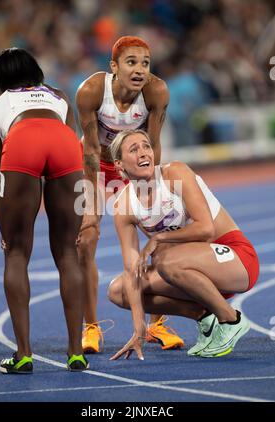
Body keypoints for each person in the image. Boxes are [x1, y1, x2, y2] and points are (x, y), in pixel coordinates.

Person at [0, 48, 88, 373]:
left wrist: (6, 220)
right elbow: (73, 140)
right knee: (69, 251)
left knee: (15, 253)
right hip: (66, 145)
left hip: (22, 142)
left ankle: (24, 354)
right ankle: (76, 351)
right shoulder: (58, 95)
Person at [107, 129, 259, 360]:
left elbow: (205, 228)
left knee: (165, 259)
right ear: (119, 164)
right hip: (193, 277)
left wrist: (159, 238)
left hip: (235, 260)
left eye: (146, 146)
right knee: (118, 291)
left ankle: (231, 319)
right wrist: (139, 329)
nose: (143, 153)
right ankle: (203, 316)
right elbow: (132, 271)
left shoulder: (174, 173)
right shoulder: (123, 206)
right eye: (134, 149)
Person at [76, 35, 184, 354]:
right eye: (131, 62)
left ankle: (157, 324)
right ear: (114, 66)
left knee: (162, 233)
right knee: (85, 239)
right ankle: (91, 327)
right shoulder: (91, 90)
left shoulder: (157, 91)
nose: (140, 70)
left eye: (145, 63)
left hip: (135, 166)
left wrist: (153, 191)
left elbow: (153, 144)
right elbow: (91, 149)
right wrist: (94, 206)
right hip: (95, 165)